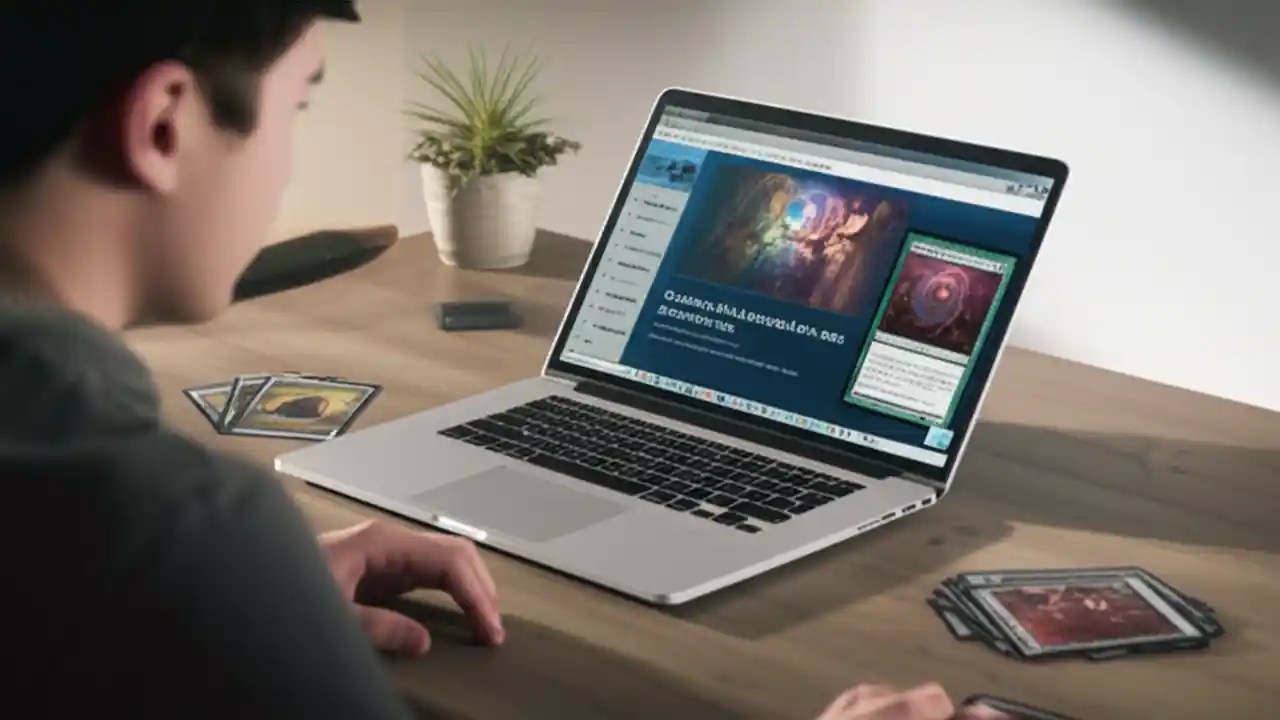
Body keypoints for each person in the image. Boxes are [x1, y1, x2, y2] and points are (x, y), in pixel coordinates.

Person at [0, 2, 1008, 718]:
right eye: (298, 104)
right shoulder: (172, 531)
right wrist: (226, 588)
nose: (287, 164)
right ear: (165, 123)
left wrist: (258, 614)